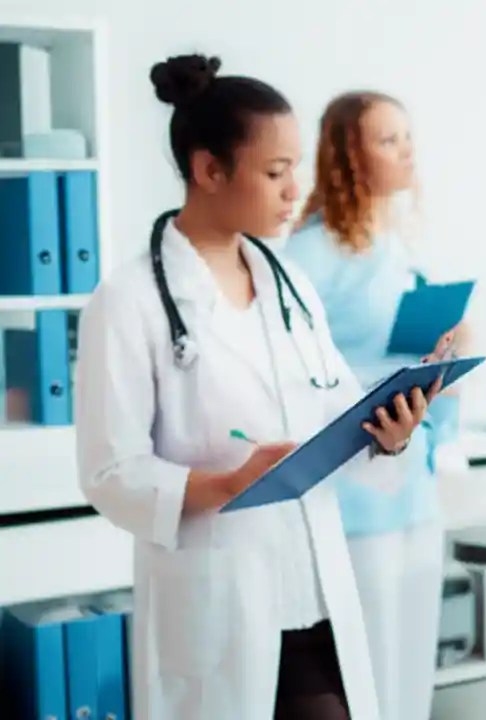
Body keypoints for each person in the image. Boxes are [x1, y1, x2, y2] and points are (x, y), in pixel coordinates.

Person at [75, 54, 438, 720]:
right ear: (209, 170)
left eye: (296, 167)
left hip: (317, 592)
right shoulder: (127, 301)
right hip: (219, 599)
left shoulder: (289, 285)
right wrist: (224, 486)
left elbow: (331, 409)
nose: (294, 188)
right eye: (275, 172)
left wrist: (388, 431)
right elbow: (108, 471)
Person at [284, 90, 462, 719]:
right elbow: (295, 376)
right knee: (364, 668)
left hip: (410, 476)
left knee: (409, 663)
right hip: (351, 496)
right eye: (388, 139)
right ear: (346, 156)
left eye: (407, 136)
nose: (406, 151)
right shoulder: (308, 255)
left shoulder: (399, 247)